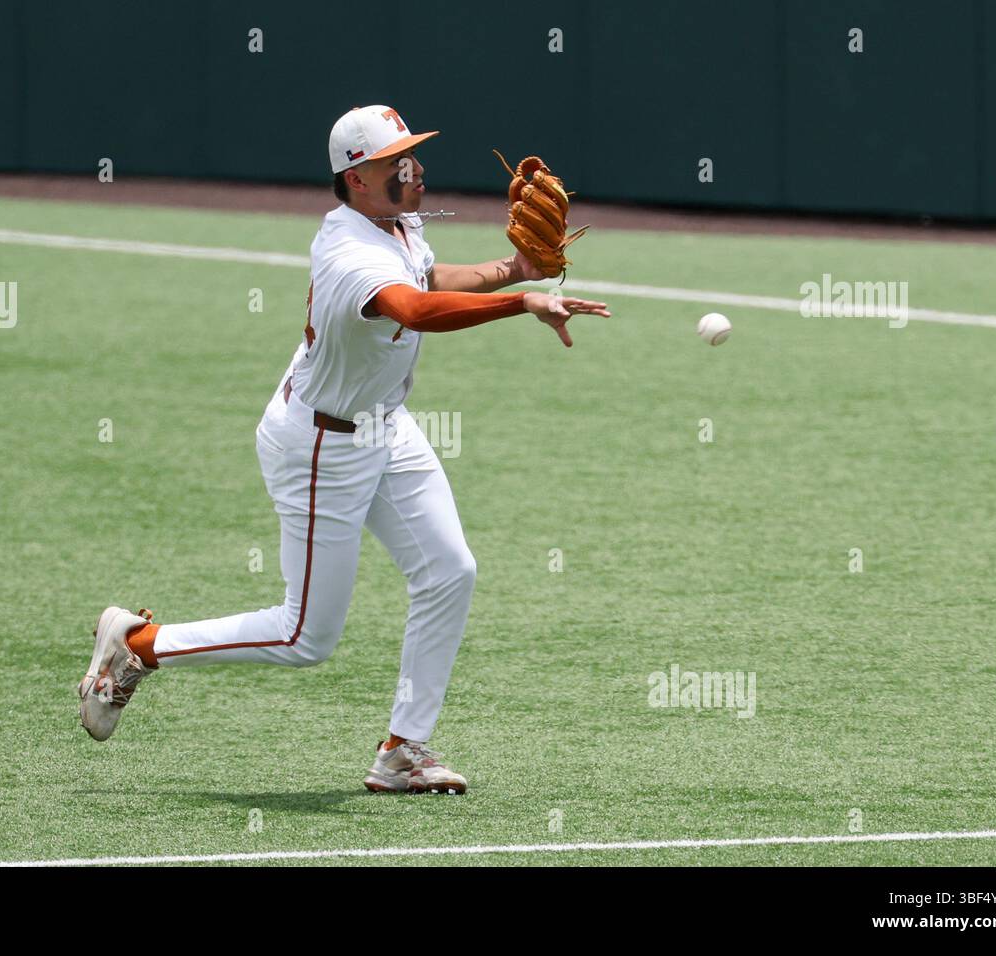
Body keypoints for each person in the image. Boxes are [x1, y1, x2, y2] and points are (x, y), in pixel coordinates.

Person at [78, 105, 609, 794]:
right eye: (397, 162)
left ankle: (403, 749)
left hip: (384, 426)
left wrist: (515, 266)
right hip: (321, 445)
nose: (413, 168)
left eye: (413, 154)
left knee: (450, 570)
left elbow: (429, 279)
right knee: (306, 637)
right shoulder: (346, 250)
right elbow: (413, 309)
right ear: (357, 179)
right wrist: (525, 301)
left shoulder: (395, 225)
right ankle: (138, 646)